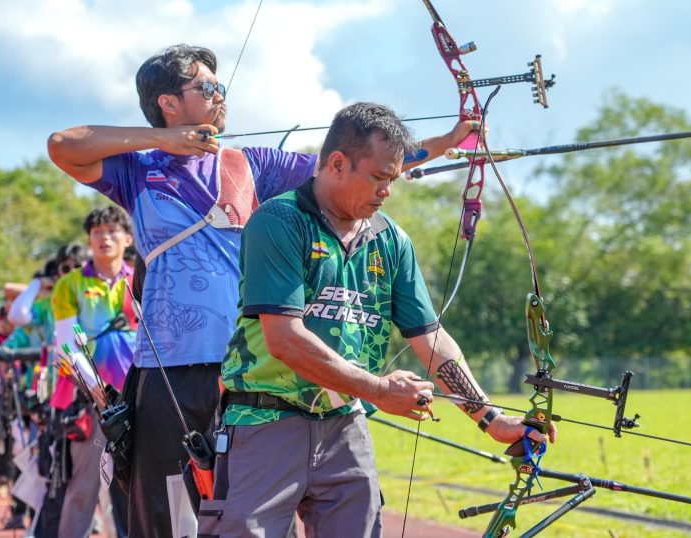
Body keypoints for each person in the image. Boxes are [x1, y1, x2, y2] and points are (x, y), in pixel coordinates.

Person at [47, 45, 480, 538]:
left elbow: (355, 167)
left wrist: (449, 140)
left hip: (248, 377)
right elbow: (62, 145)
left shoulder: (249, 164)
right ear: (168, 102)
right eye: (207, 87)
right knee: (168, 516)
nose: (221, 95)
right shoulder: (137, 171)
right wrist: (163, 139)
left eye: (220, 86)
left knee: (255, 518)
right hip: (169, 372)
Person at [199, 102, 558, 536]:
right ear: (337, 163)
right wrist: (380, 391)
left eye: (394, 178)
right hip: (267, 421)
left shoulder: (390, 240)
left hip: (345, 425)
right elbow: (285, 339)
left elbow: (431, 339)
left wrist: (492, 419)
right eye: (379, 177)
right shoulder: (280, 221)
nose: (388, 190)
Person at [49, 205, 137, 538]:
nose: (104, 238)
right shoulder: (69, 285)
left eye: (112, 231)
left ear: (128, 239)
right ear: (89, 240)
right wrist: (97, 390)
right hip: (90, 400)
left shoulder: (141, 279)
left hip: (137, 395)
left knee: (138, 486)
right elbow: (65, 345)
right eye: (97, 232)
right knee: (84, 486)